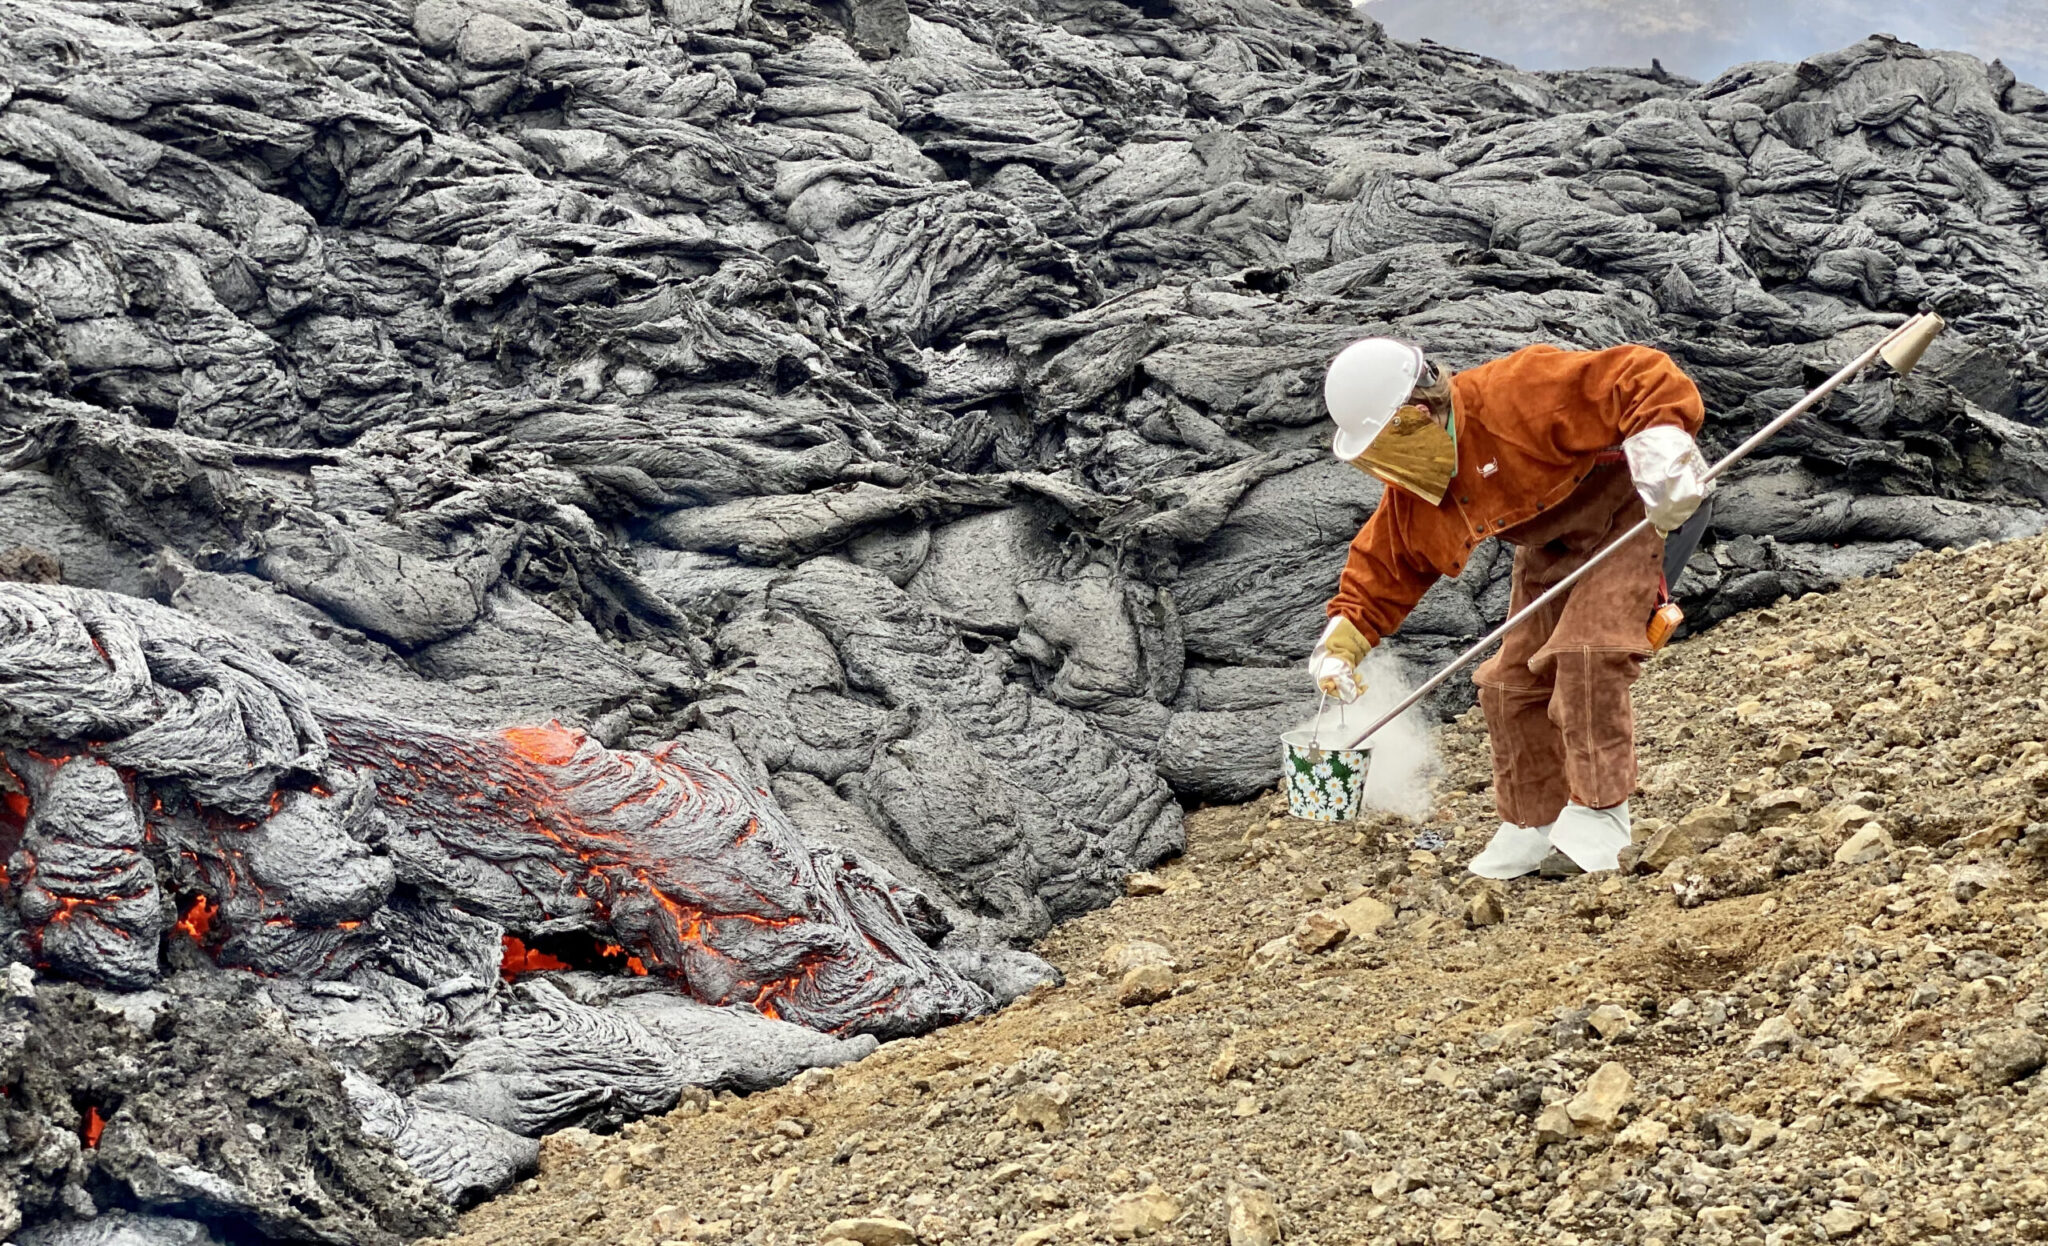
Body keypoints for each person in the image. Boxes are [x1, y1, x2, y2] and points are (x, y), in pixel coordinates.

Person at [1308, 338, 1709, 878]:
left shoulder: (1517, 392)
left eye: (1385, 443)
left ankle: (1601, 815)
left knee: (1588, 652)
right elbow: (1387, 561)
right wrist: (1342, 642)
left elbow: (1638, 373)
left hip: (1635, 511)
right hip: (1550, 546)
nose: (1387, 467)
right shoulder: (1424, 484)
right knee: (1508, 682)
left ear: (1418, 413)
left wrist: (1663, 446)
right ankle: (1532, 823)